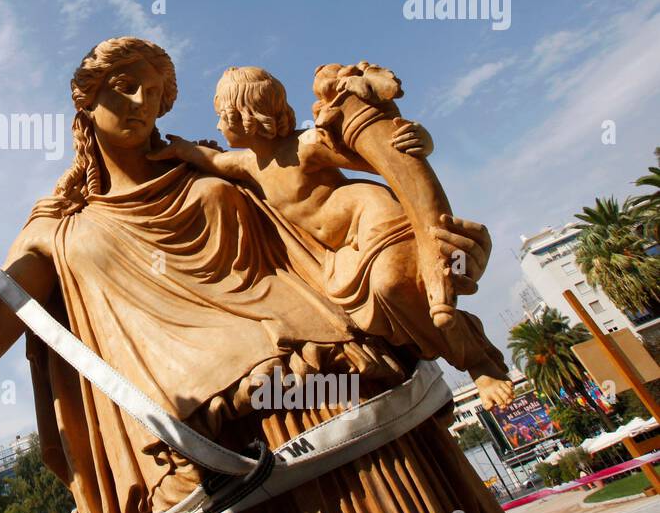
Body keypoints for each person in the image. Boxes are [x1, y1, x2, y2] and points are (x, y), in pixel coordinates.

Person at [0, 36, 543, 513]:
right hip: (201, 471)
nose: (143, 99)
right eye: (124, 83)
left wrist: (427, 244)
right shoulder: (57, 231)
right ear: (84, 102)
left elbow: (336, 217)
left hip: (339, 401)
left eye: (154, 87)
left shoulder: (220, 170)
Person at [149, 65, 515, 410]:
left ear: (247, 115)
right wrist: (172, 151)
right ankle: (454, 346)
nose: (220, 125)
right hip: (346, 252)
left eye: (223, 115)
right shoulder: (249, 165)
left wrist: (422, 140)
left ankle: (479, 363)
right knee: (378, 312)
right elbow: (211, 160)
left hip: (376, 222)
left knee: (394, 288)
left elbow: (383, 157)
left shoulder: (305, 145)